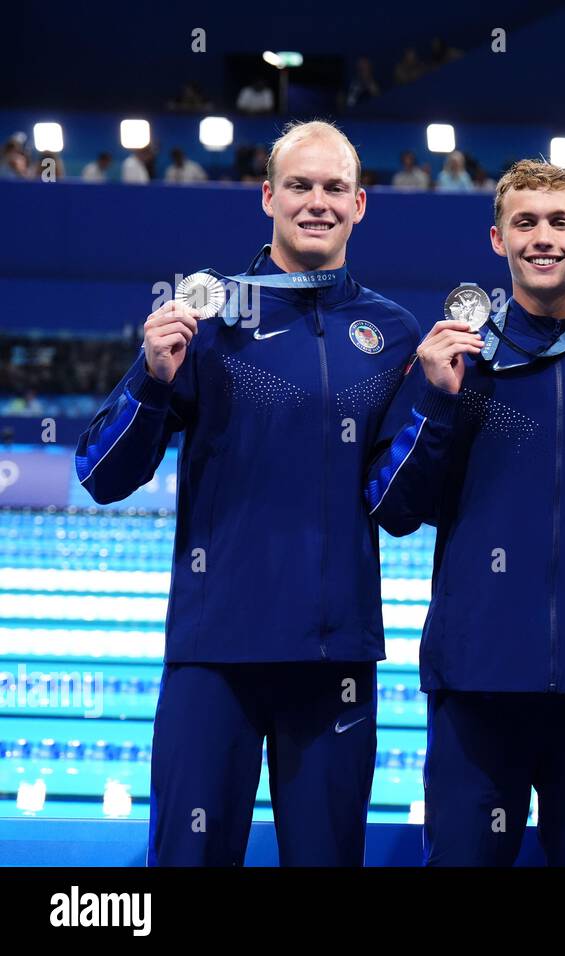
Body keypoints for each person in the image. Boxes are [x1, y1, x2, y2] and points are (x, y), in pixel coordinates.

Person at [75, 120, 422, 866]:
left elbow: (398, 508)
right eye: (300, 185)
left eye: (335, 188)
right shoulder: (205, 319)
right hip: (215, 654)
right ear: (268, 196)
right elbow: (102, 476)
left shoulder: (392, 334)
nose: (317, 202)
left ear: (361, 204)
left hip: (334, 662)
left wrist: (444, 407)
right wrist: (151, 378)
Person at [365, 159, 565, 866]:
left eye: (559, 222)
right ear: (498, 240)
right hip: (476, 687)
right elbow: (394, 510)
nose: (543, 238)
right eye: (525, 223)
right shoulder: (456, 364)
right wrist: (434, 401)